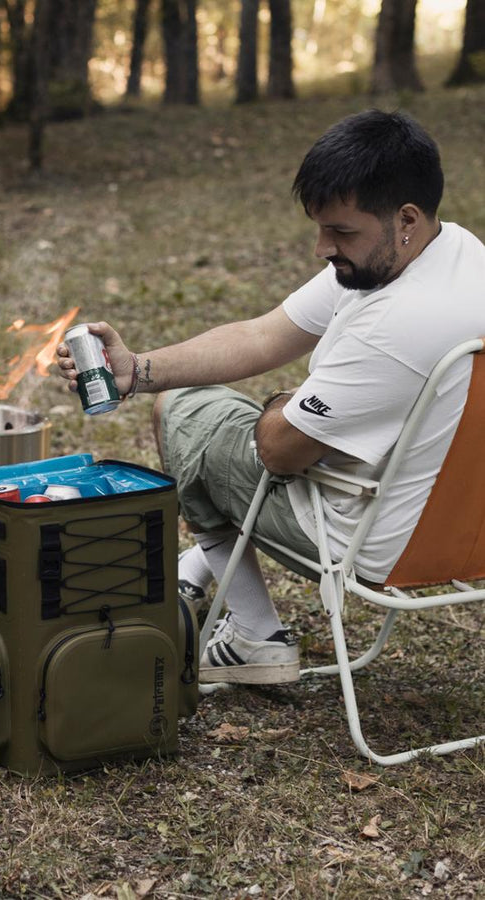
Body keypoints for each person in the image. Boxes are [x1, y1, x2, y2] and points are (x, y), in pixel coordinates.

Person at [58, 109, 485, 685]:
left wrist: (286, 402)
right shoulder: (456, 254)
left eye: (339, 232)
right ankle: (202, 568)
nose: (320, 248)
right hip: (465, 533)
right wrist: (138, 369)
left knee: (182, 412)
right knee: (183, 396)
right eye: (319, 227)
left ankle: (256, 636)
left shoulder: (394, 326)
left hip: (371, 539)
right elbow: (264, 333)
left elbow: (279, 452)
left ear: (404, 218)